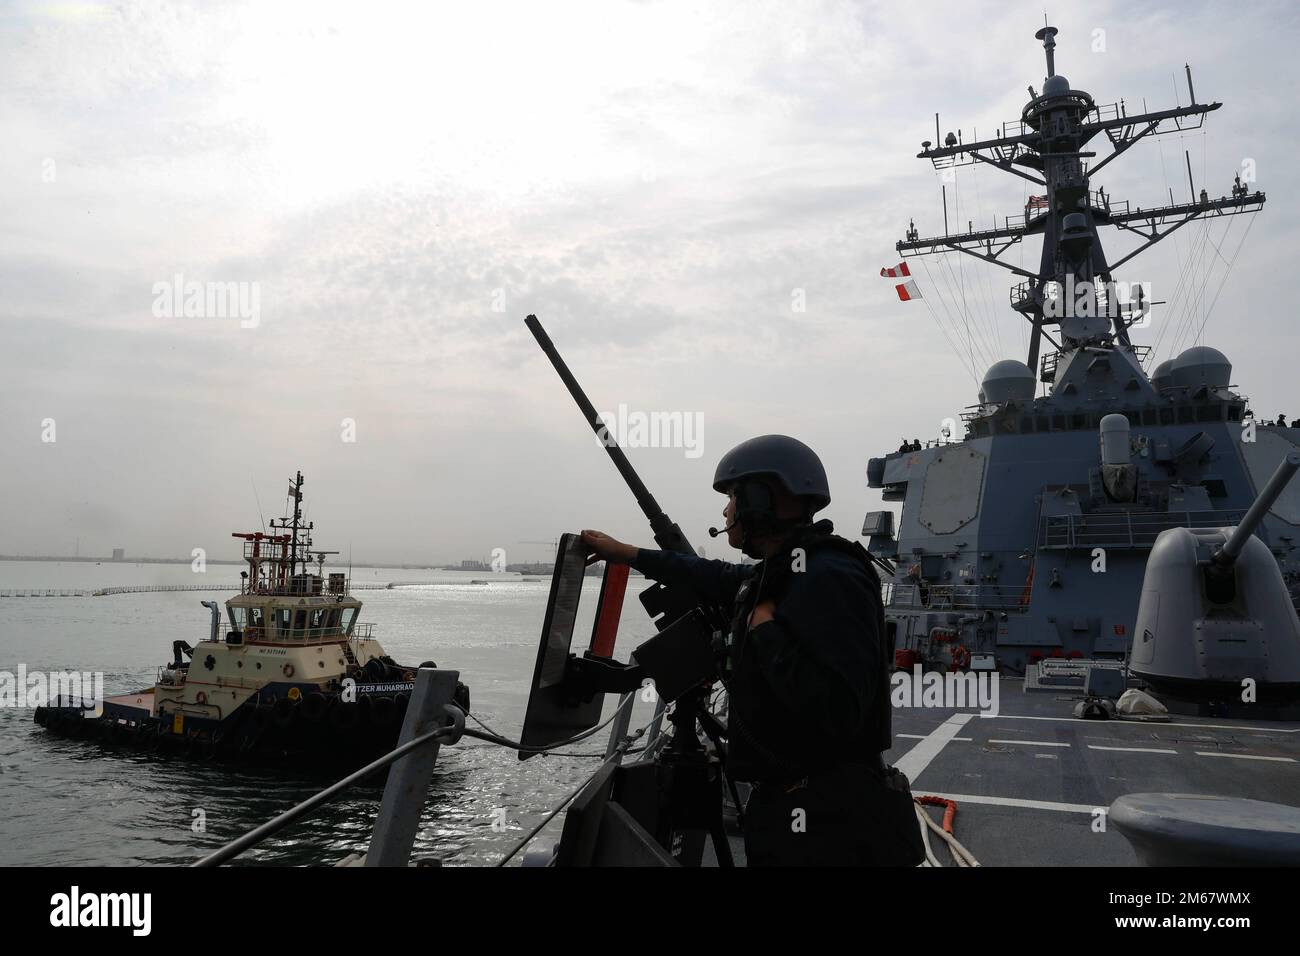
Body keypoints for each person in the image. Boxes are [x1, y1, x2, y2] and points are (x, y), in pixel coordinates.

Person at [581, 434, 923, 867]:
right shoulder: (786, 571)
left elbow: (840, 710)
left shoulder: (830, 575)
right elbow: (715, 575)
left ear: (761, 500)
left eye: (732, 498)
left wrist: (765, 632)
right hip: (793, 805)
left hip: (828, 824)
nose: (725, 511)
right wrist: (628, 554)